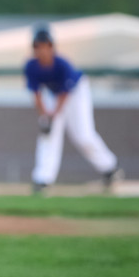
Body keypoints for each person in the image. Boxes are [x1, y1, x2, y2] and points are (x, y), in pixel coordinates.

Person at [26, 25, 119, 195]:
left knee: (83, 134)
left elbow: (64, 94)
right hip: (54, 95)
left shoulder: (62, 65)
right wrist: (45, 116)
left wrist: (53, 114)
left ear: (51, 46)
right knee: (48, 134)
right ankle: (42, 179)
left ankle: (109, 168)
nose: (41, 50)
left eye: (44, 45)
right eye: (37, 46)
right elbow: (37, 95)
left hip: (76, 92)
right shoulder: (31, 67)